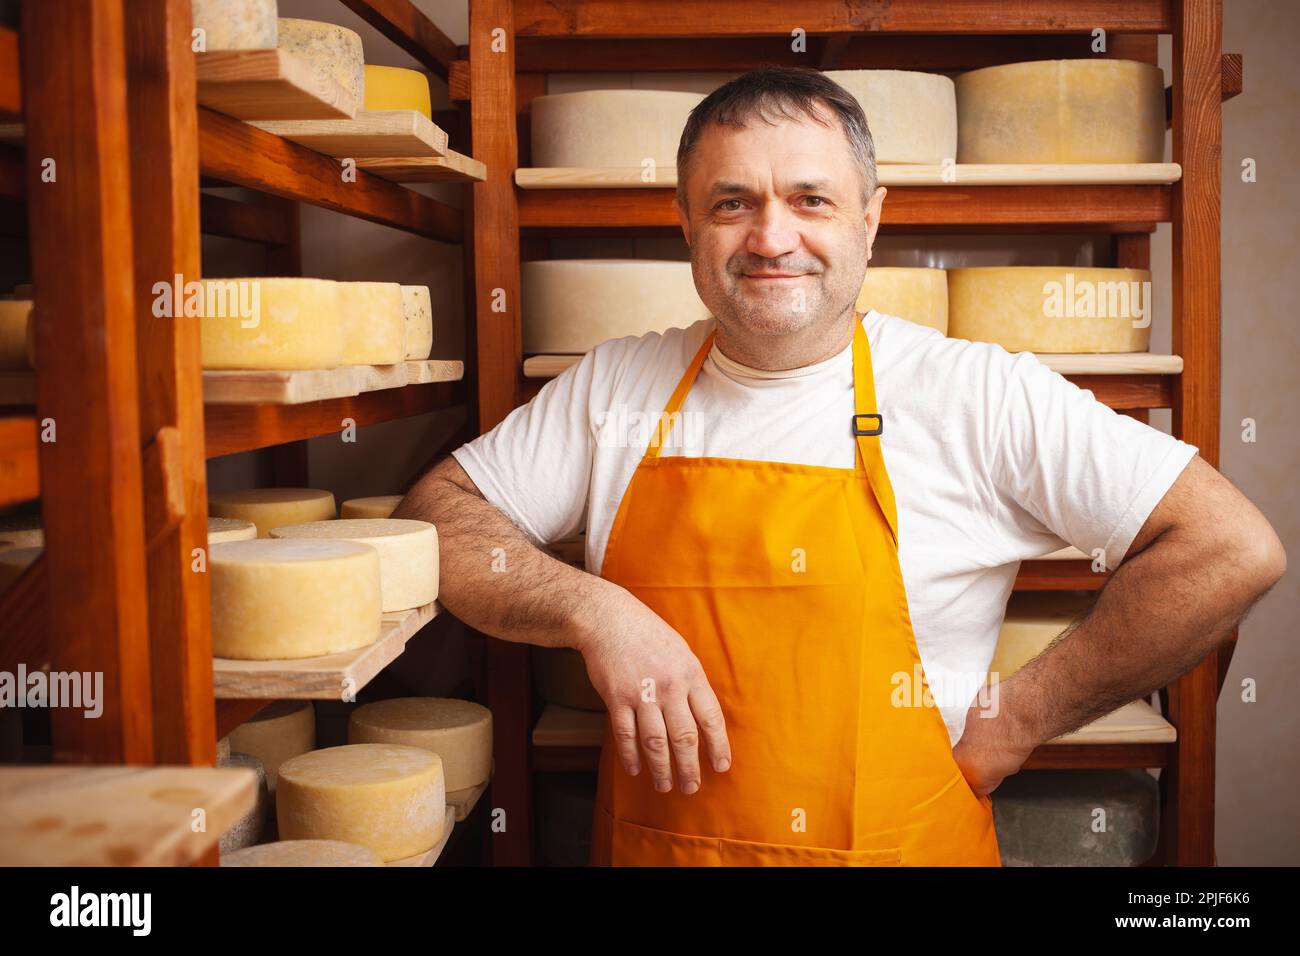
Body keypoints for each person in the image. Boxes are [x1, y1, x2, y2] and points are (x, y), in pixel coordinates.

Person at [395, 67, 1285, 866]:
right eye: (732, 202)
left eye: (811, 200)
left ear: (871, 217)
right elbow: (439, 515)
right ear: (687, 226)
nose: (771, 237)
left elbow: (1228, 547)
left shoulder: (971, 392)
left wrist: (1022, 716)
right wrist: (596, 613)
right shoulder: (618, 385)